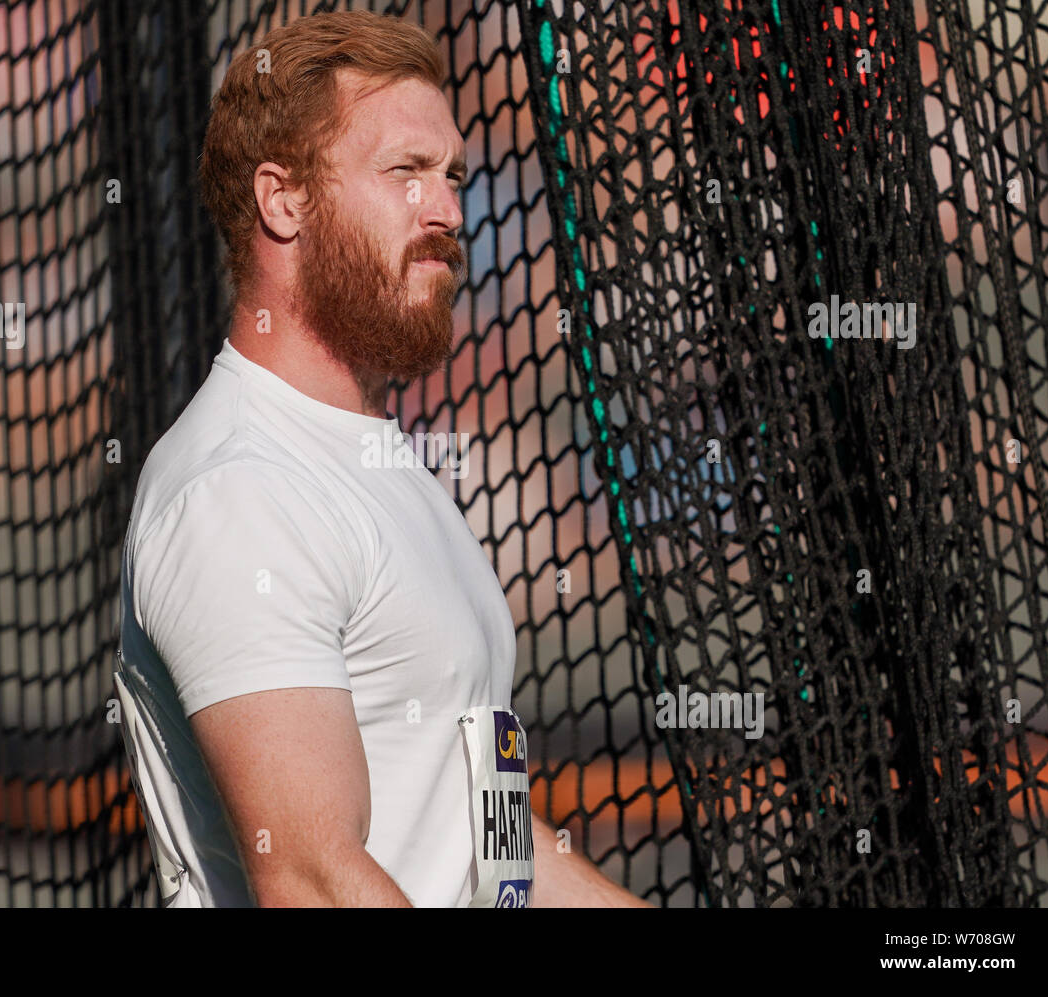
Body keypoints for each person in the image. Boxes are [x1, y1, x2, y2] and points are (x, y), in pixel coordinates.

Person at [115, 9, 653, 908]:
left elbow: (498, 858)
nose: (446, 208)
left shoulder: (387, 471)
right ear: (281, 199)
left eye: (451, 176)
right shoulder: (237, 489)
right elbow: (312, 879)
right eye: (405, 172)